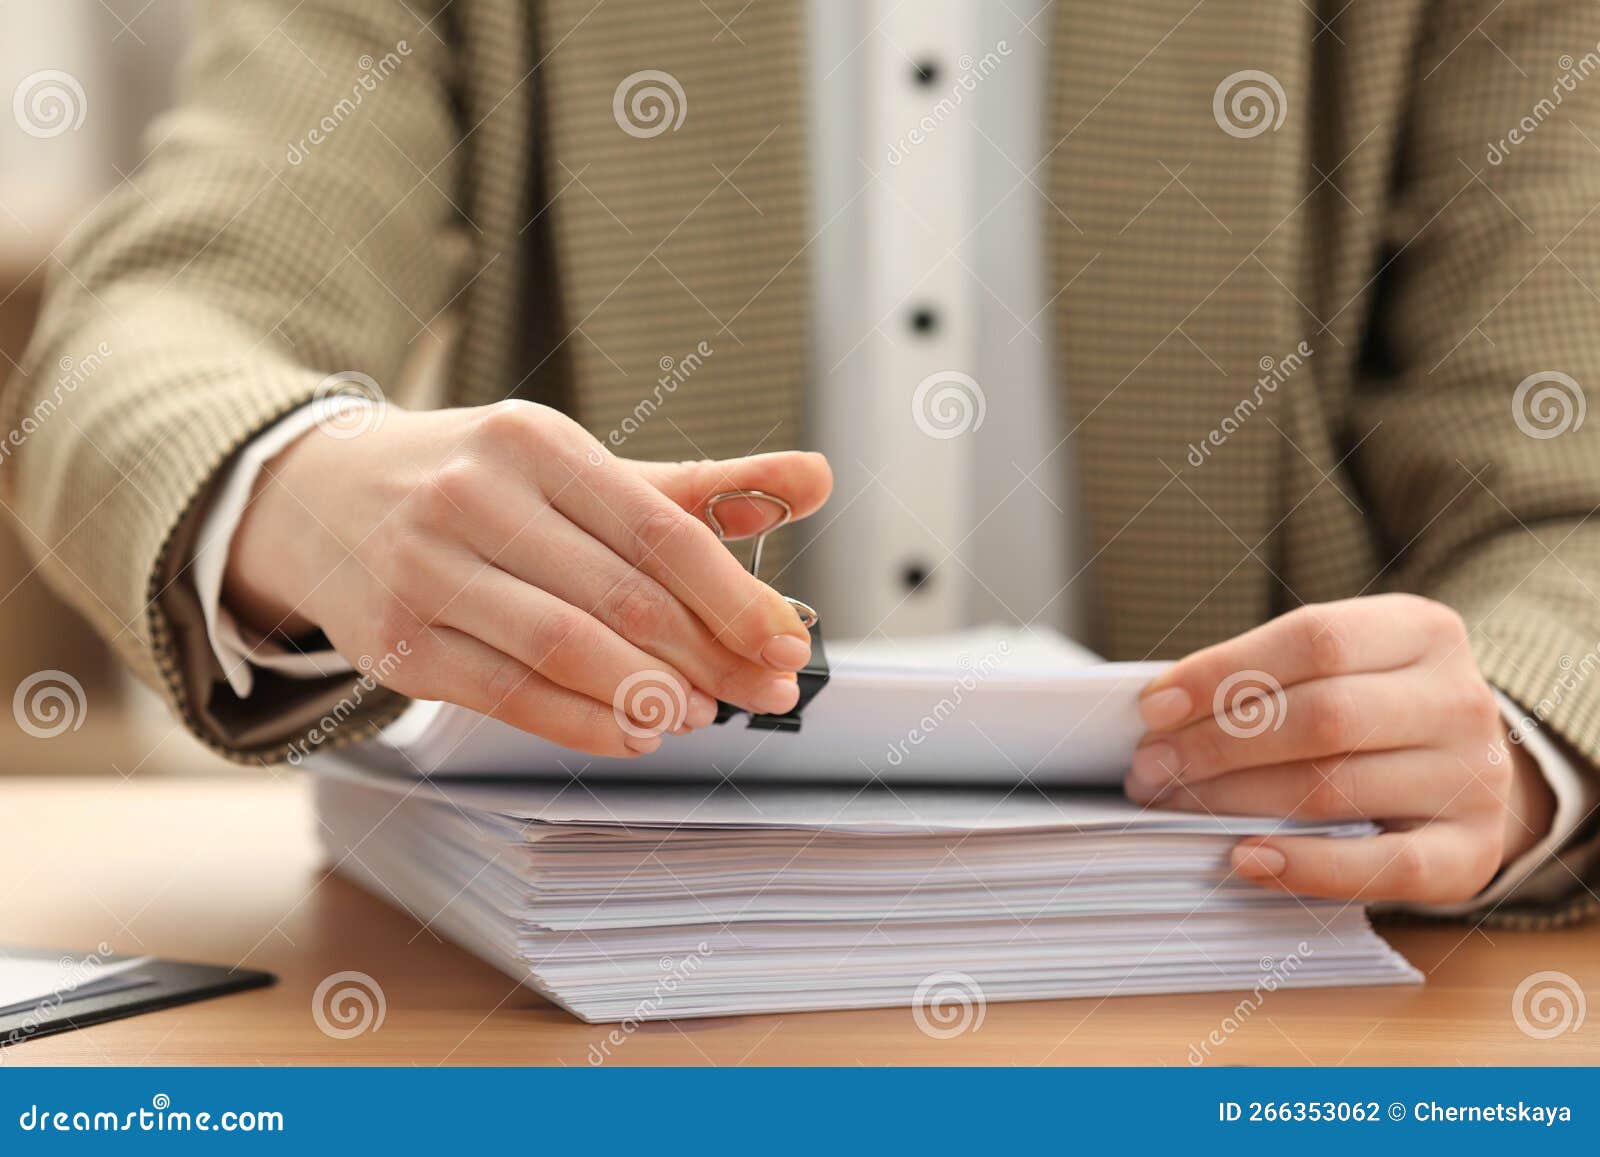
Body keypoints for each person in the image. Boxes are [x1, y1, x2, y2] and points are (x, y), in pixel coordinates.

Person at [5, 0, 1598, 925]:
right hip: (574, 1021)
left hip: (1263, 992)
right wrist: (298, 481)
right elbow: (155, 331)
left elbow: (1564, 482)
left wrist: (1511, 740)